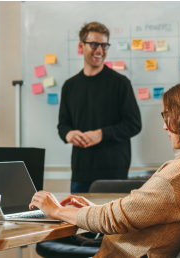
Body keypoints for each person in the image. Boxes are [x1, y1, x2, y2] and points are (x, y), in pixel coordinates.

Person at [32, 79, 180, 257]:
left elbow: (113, 220)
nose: (164, 126)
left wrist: (56, 211)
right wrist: (93, 210)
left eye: (168, 115)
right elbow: (133, 215)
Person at [57, 22, 142, 193]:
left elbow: (134, 124)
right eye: (94, 44)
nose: (100, 51)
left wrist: (102, 134)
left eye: (104, 45)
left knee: (112, 221)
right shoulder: (70, 86)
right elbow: (63, 125)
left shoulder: (120, 83)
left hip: (113, 174)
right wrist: (68, 134)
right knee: (77, 219)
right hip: (80, 173)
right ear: (81, 46)